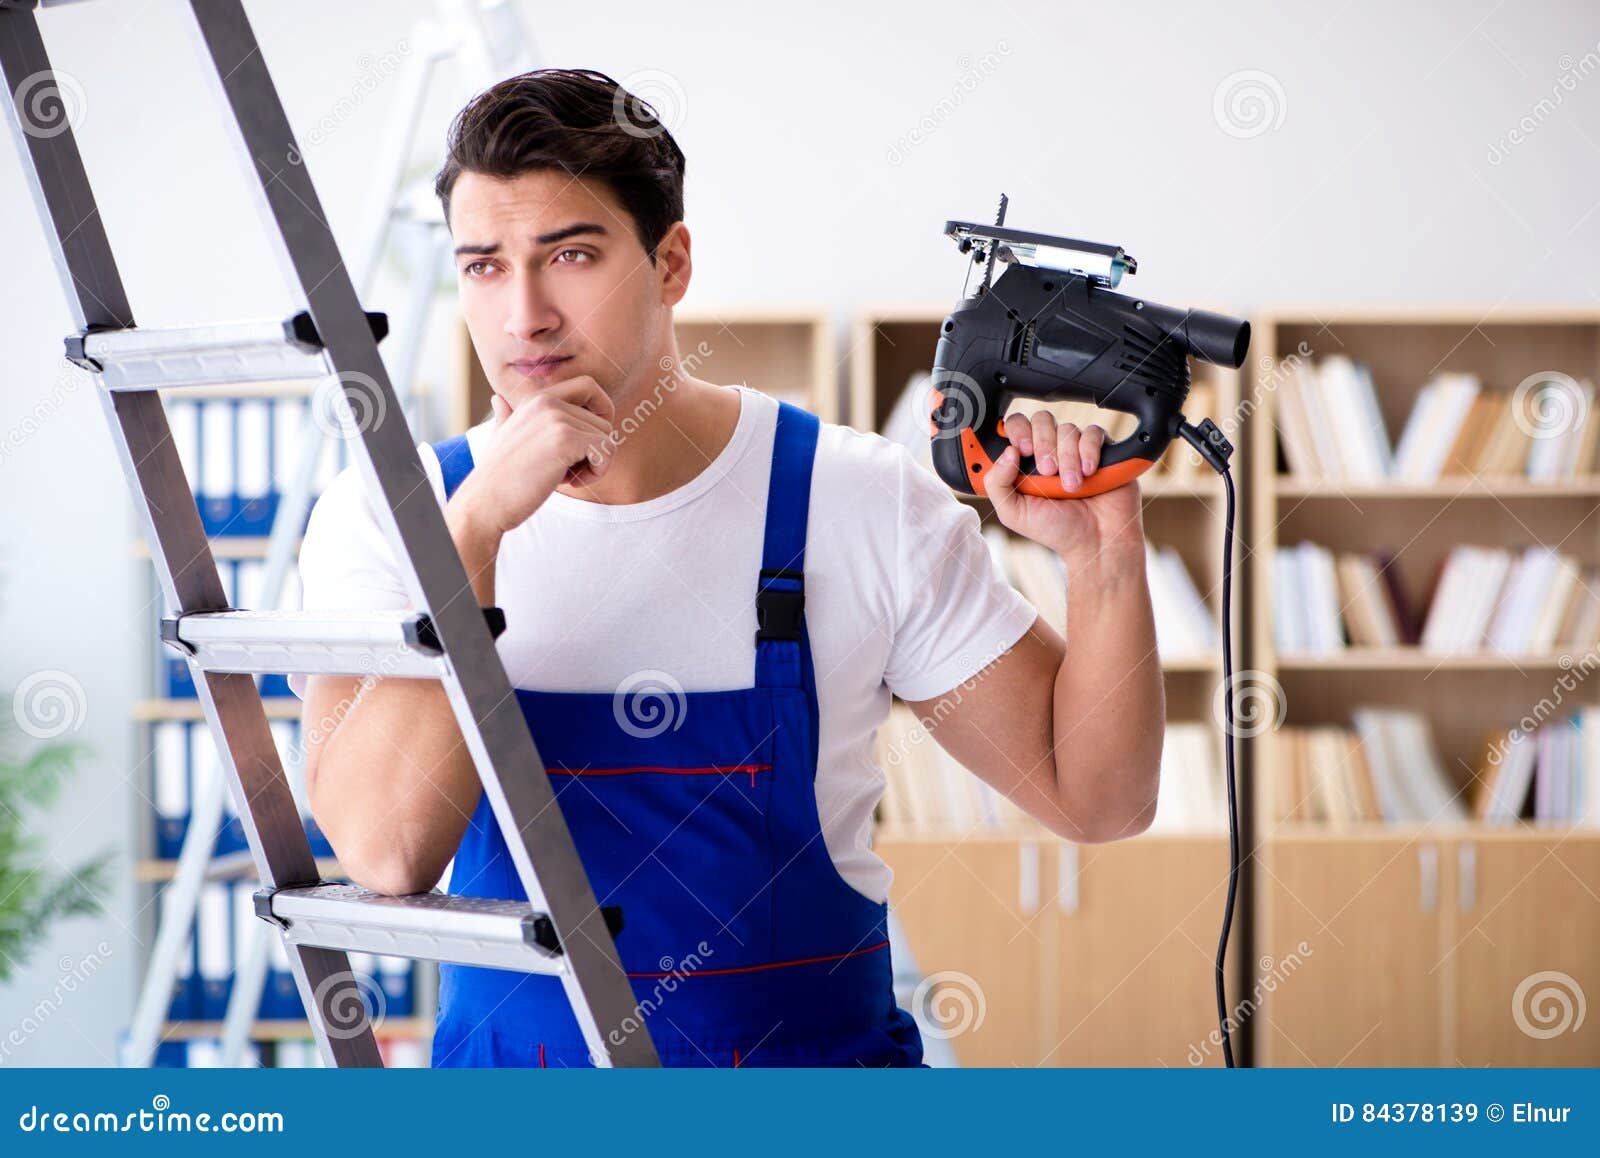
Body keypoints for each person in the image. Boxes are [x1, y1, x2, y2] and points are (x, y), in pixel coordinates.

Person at [293, 68, 1164, 1068]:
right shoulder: (391, 517)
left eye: (569, 255)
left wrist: (1104, 562)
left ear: (671, 264)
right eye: (484, 267)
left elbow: (1097, 800)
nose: (523, 314)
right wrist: (475, 532)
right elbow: (386, 851)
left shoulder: (854, 498)